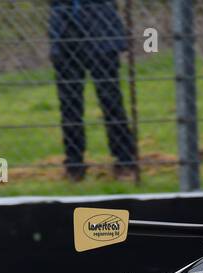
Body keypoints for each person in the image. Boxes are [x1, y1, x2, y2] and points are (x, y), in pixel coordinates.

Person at [48, 0, 138, 181]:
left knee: (110, 99)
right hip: (65, 30)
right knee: (69, 104)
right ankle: (74, 165)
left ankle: (125, 161)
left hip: (100, 28)